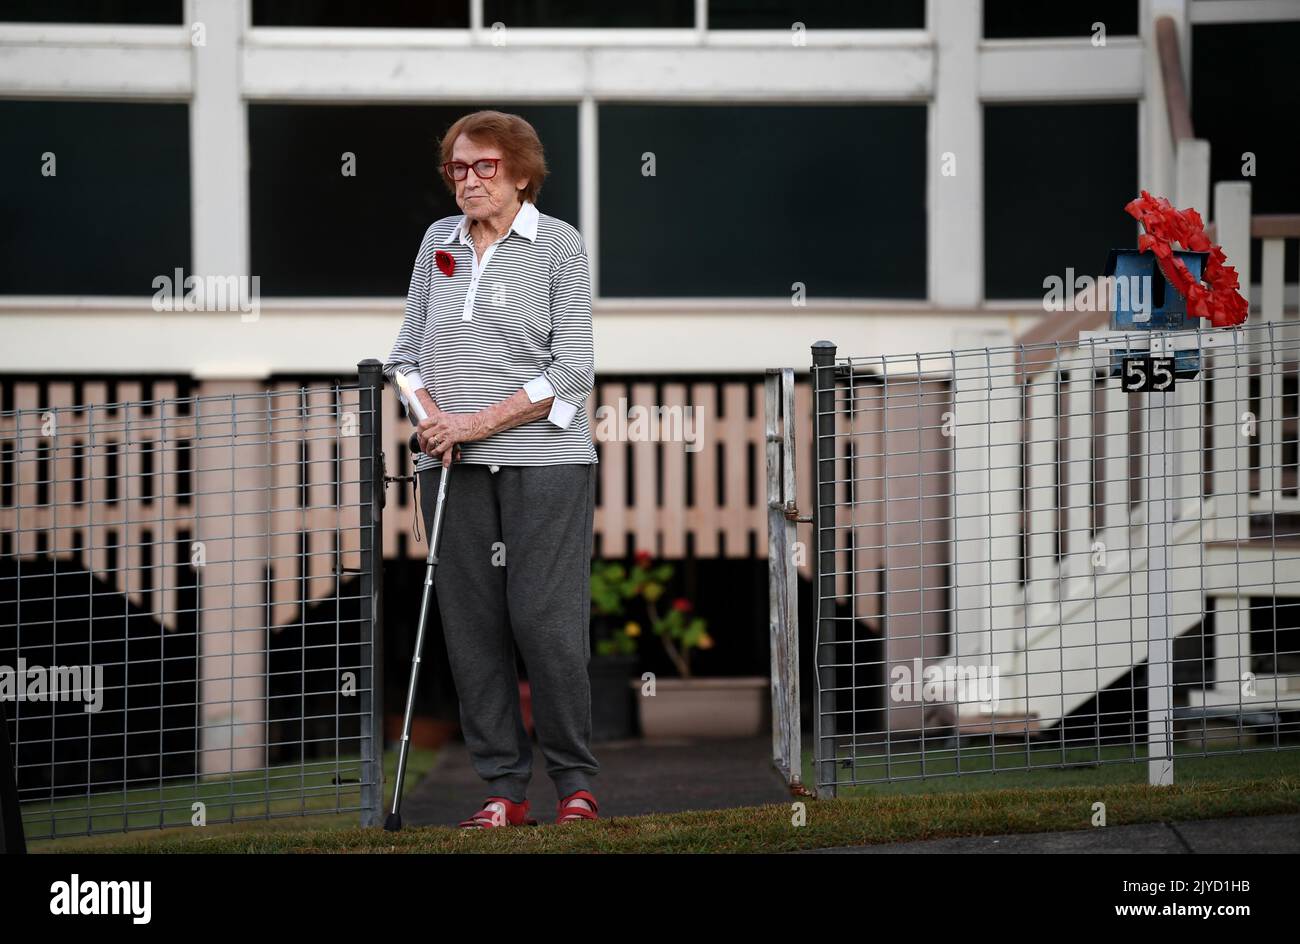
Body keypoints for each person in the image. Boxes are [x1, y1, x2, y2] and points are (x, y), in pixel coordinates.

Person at [383, 110, 601, 828]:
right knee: (471, 626)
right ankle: (503, 789)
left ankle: (575, 785)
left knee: (544, 620)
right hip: (452, 467)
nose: (469, 181)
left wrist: (473, 423)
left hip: (545, 462)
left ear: (520, 174)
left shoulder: (559, 245)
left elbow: (571, 372)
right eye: (457, 168)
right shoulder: (436, 242)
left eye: (484, 167)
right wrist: (428, 419)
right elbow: (406, 357)